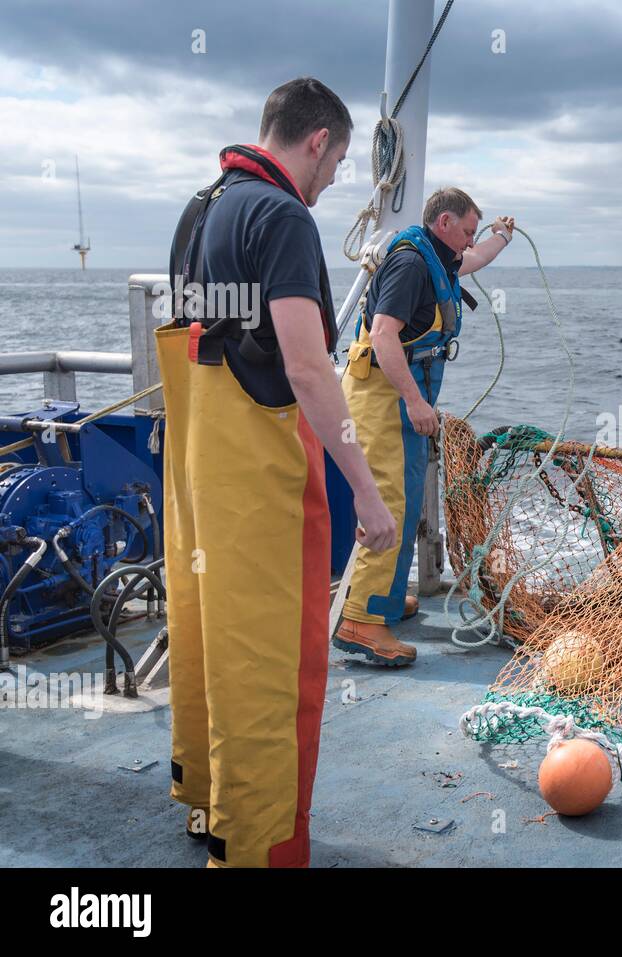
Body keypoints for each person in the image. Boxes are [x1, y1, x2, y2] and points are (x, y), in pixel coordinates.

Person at [160, 76, 397, 868]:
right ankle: (257, 844)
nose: (330, 188)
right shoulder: (282, 216)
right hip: (257, 481)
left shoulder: (202, 210)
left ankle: (208, 805)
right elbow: (305, 365)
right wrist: (366, 490)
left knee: (208, 642)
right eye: (333, 170)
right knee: (268, 667)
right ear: (319, 141)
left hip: (197, 470)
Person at [333, 188, 513, 664]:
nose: (471, 241)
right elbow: (384, 333)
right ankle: (359, 621)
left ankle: (386, 601)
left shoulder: (442, 254)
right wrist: (414, 401)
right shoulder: (412, 264)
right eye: (469, 231)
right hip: (383, 399)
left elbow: (473, 260)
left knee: (408, 503)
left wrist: (500, 237)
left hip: (404, 400)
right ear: (445, 221)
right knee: (387, 505)